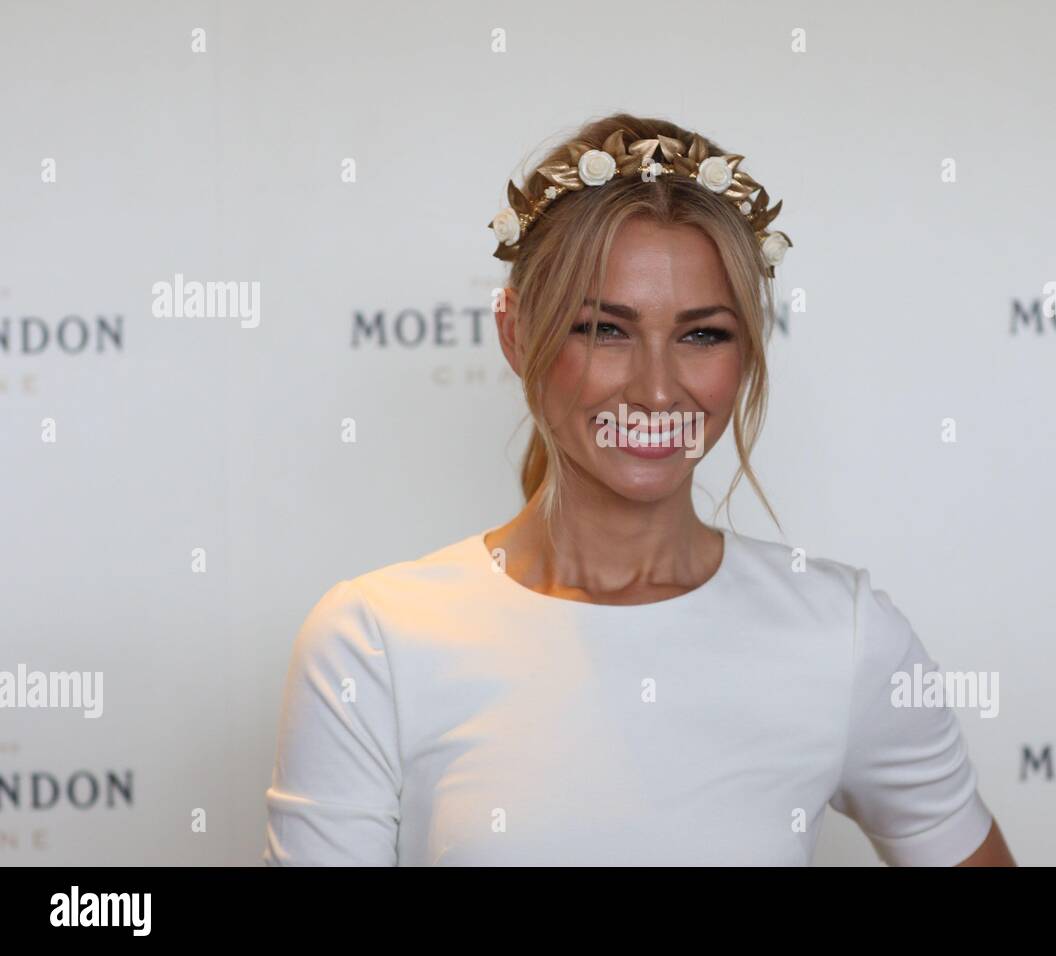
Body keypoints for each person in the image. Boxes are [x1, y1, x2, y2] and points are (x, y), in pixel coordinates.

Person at [262, 112, 1014, 866]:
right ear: (518, 334)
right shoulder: (374, 641)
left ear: (747, 351)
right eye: (604, 329)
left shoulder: (843, 636)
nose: (657, 391)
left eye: (702, 334)